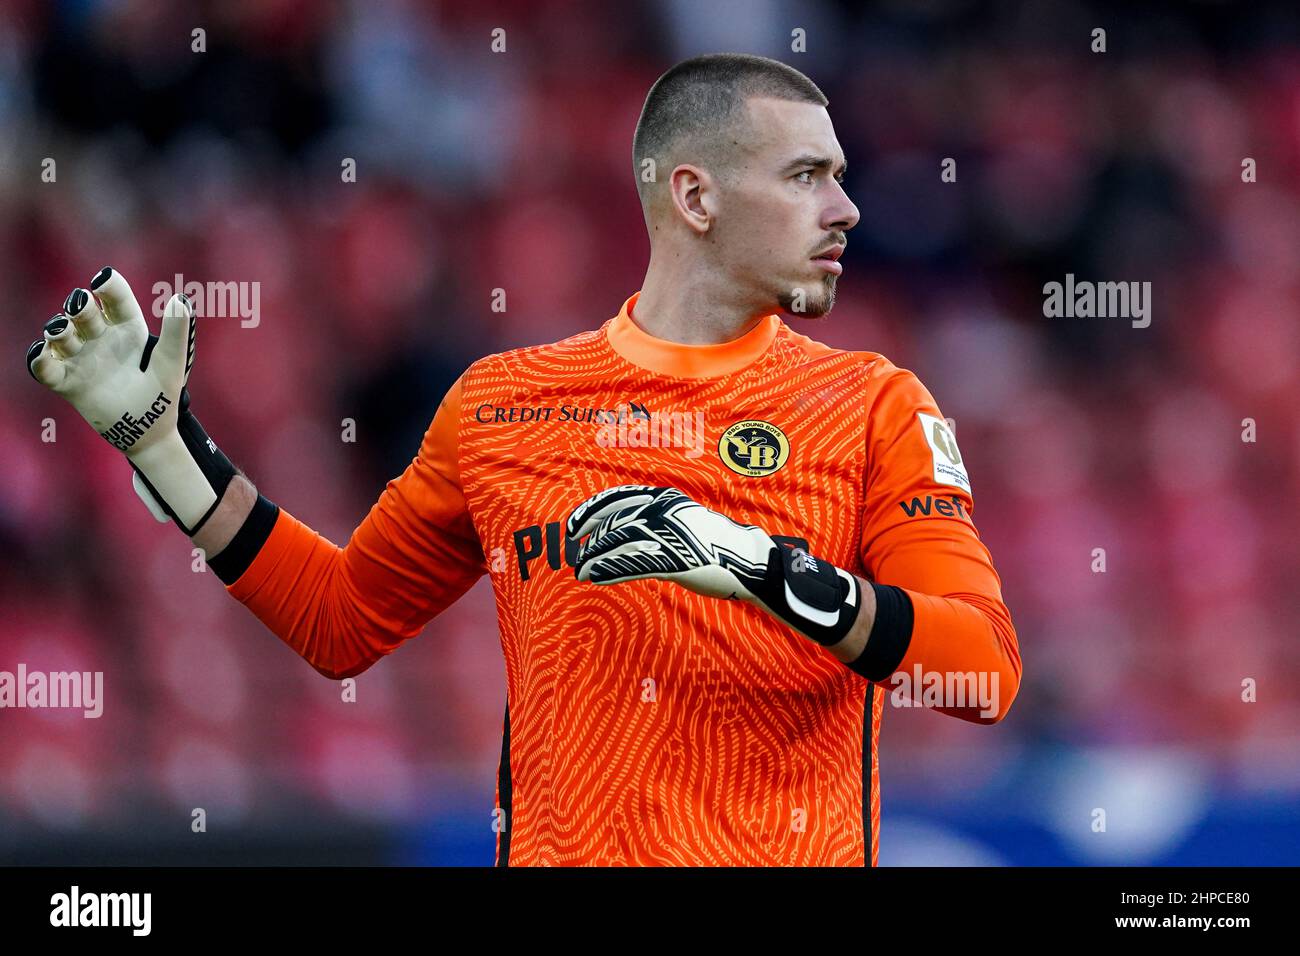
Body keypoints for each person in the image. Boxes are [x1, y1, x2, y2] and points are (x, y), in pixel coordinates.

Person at [27, 52, 1020, 866]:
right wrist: (161, 445)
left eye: (840, 176)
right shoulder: (502, 403)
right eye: (807, 175)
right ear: (695, 195)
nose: (845, 208)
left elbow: (978, 676)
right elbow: (339, 620)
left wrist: (761, 568)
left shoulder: (872, 405)